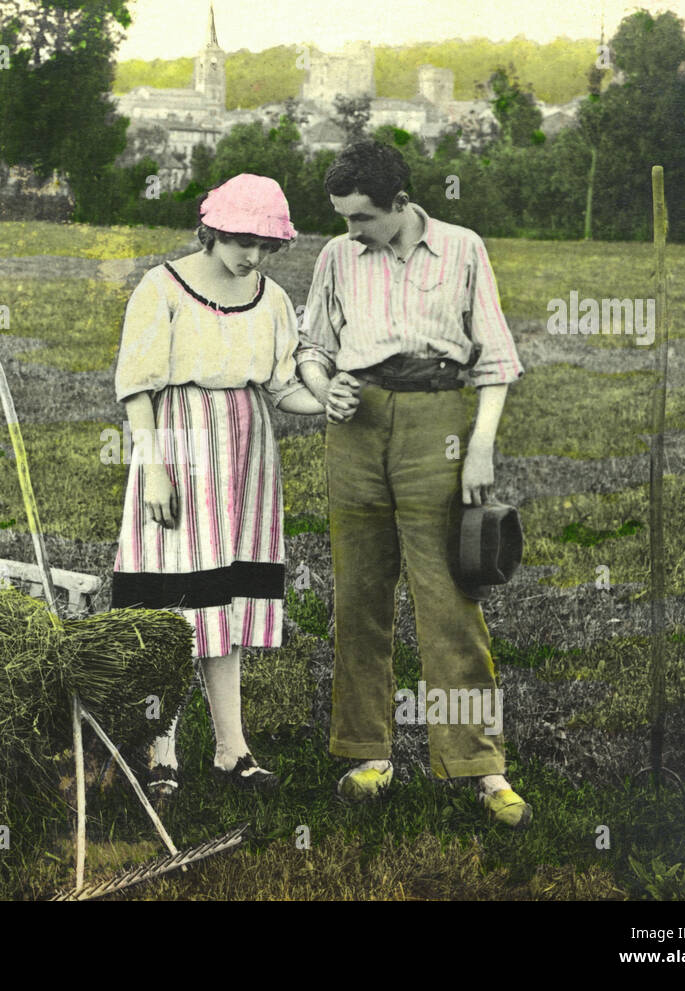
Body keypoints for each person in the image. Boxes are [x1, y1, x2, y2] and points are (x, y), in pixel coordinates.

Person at [295, 140, 532, 827]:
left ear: (399, 204)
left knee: (449, 597)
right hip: (357, 428)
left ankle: (481, 764)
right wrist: (326, 384)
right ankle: (368, 752)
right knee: (359, 594)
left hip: (439, 423)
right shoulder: (337, 258)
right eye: (342, 218)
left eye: (361, 218)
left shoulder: (462, 249)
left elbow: (495, 357)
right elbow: (312, 347)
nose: (350, 232)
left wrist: (480, 445)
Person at [111, 173, 360, 798]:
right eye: (242, 240)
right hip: (179, 441)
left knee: (223, 604)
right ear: (213, 229)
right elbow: (138, 389)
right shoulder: (161, 287)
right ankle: (160, 746)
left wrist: (332, 401)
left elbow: (282, 387)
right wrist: (155, 468)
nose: (252, 255)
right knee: (171, 606)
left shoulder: (271, 297)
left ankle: (232, 748)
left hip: (247, 455)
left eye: (265, 245)